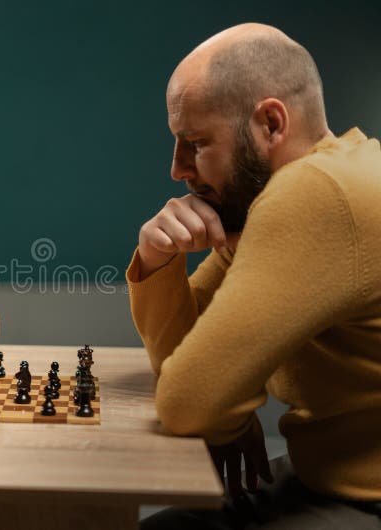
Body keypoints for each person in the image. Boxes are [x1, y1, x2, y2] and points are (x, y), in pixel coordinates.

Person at [128, 23, 381, 529]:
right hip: (320, 478)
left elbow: (187, 402)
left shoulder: (313, 194)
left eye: (195, 142)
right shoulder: (294, 192)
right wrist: (157, 260)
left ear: (270, 123)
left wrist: (224, 412)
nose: (177, 169)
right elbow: (182, 360)